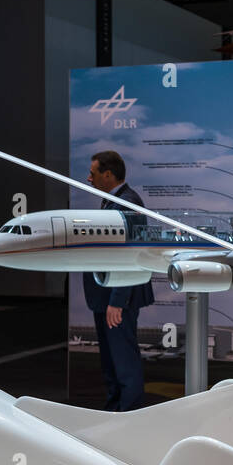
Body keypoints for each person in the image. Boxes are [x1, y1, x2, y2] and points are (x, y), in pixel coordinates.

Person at [79, 151, 153, 411]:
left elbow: (132, 256)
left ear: (108, 175)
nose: (88, 178)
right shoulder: (112, 201)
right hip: (105, 298)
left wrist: (117, 302)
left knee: (123, 362)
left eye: (93, 173)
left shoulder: (127, 204)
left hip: (118, 299)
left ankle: (129, 414)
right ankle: (114, 412)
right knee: (111, 362)